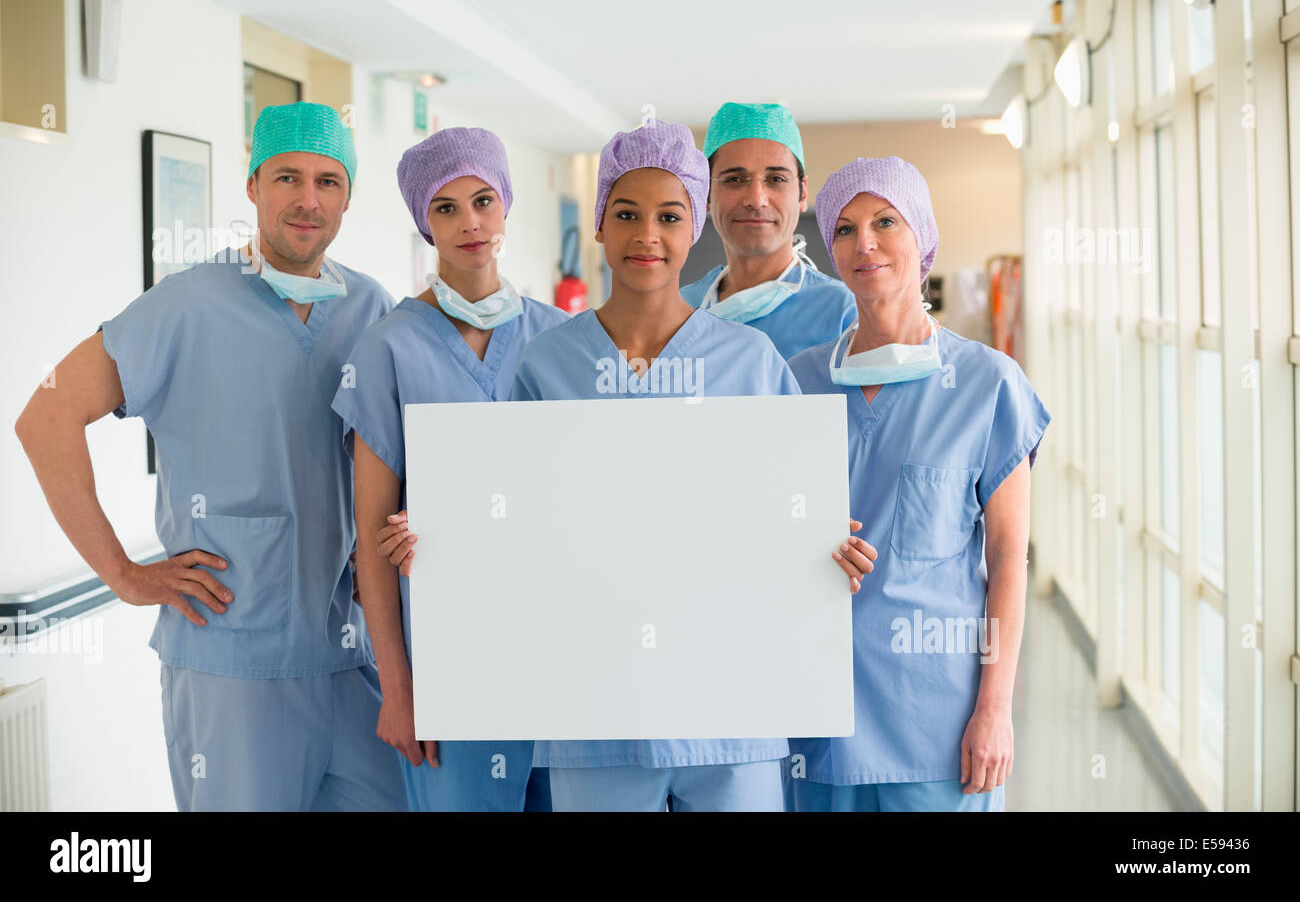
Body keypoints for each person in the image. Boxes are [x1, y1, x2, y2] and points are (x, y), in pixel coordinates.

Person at [14, 102, 406, 811]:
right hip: (232, 667)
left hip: (354, 657)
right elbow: (45, 417)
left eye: (328, 180)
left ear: (348, 196)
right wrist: (124, 575)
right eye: (288, 177)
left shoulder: (373, 307)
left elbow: (406, 449)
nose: (308, 199)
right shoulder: (186, 306)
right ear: (253, 185)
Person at [485, 121, 871, 812]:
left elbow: (790, 508)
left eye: (669, 216)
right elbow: (517, 521)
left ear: (695, 228)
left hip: (731, 703)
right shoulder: (547, 364)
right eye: (626, 215)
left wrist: (822, 538)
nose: (647, 236)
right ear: (598, 226)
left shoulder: (749, 362)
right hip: (594, 706)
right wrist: (446, 533)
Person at [784, 157, 1050, 811]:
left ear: (922, 236)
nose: (863, 243)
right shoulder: (796, 381)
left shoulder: (987, 383)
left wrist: (995, 709)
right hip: (815, 720)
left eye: (885, 221)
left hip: (938, 726)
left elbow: (1008, 557)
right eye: (843, 229)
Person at [332, 127, 566, 811]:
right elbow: (372, 542)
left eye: (484, 200)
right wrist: (399, 692)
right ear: (424, 224)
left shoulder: (561, 337)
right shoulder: (388, 347)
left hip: (557, 656)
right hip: (448, 670)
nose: (470, 222)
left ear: (506, 207)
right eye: (446, 207)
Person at [679, 102, 855, 358]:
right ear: (706, 192)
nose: (756, 199)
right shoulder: (681, 309)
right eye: (734, 179)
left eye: (776, 179)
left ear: (802, 192)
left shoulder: (842, 312)